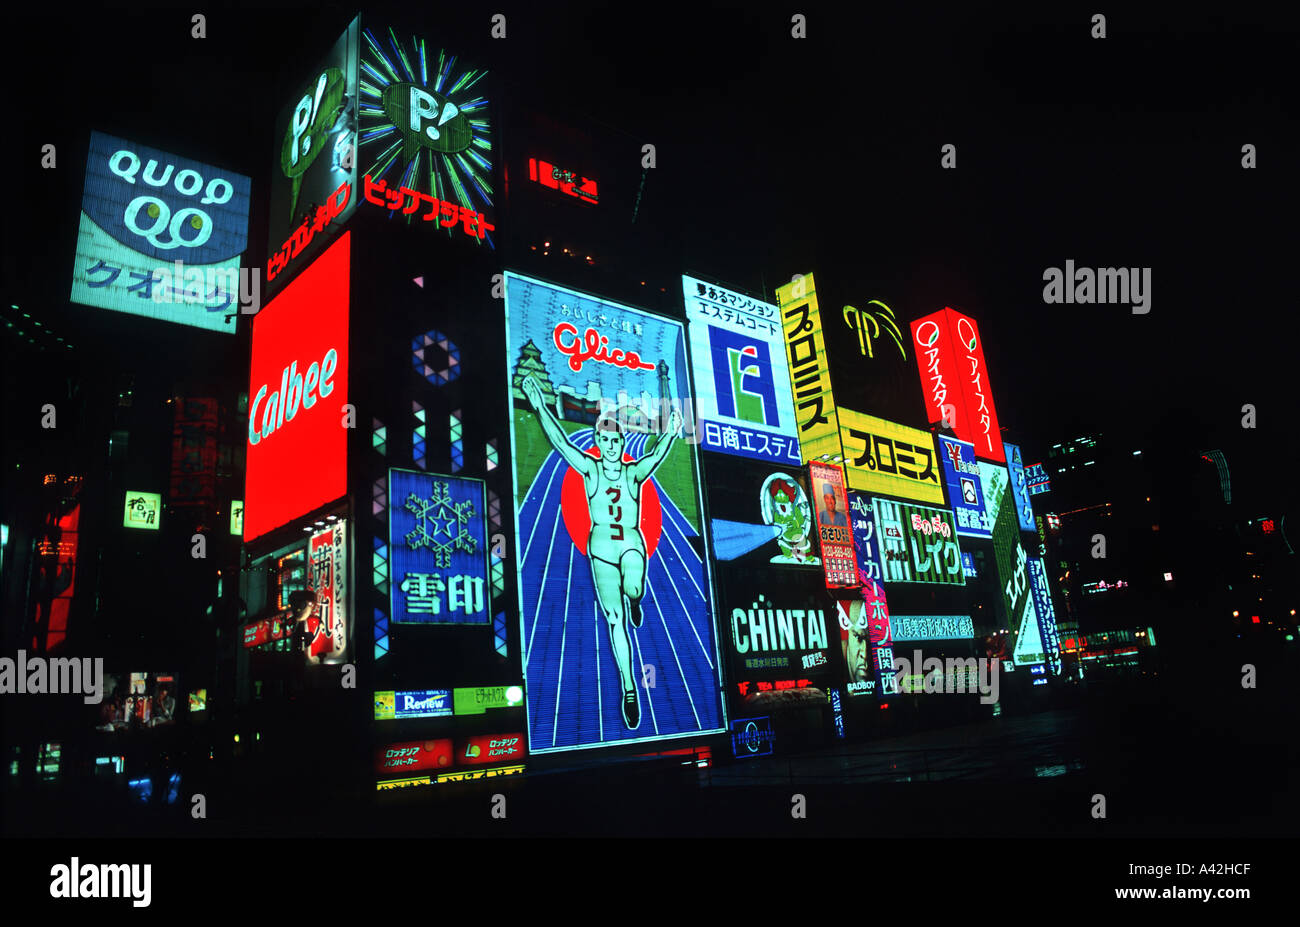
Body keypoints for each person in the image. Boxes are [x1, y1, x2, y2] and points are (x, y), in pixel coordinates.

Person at [522, 375, 681, 730]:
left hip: (631, 545)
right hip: (602, 550)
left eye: (615, 440)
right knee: (615, 620)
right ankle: (629, 687)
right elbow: (561, 443)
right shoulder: (590, 470)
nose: (610, 445)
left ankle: (636, 598)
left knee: (634, 588)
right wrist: (539, 406)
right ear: (598, 441)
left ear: (621, 442)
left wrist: (670, 432)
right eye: (605, 440)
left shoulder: (633, 472)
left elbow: (656, 454)